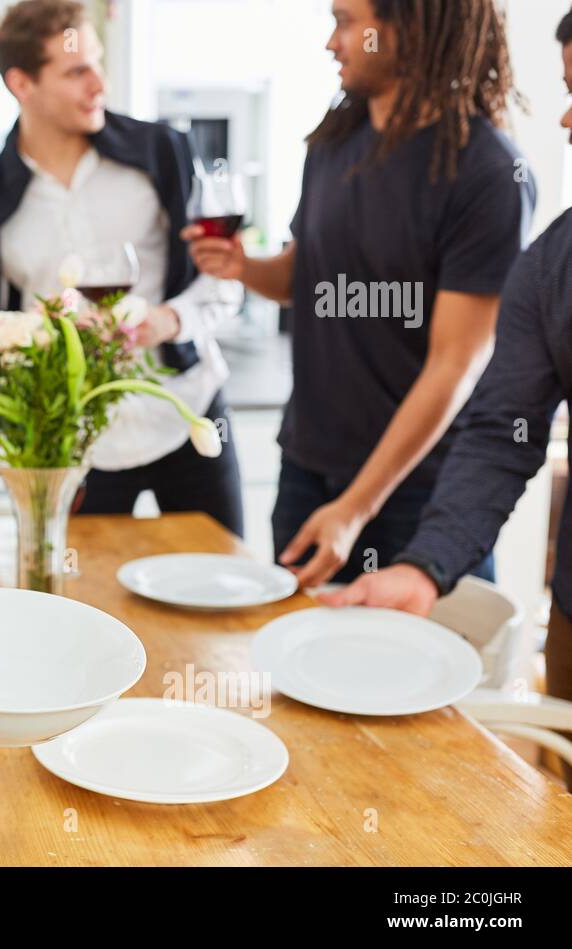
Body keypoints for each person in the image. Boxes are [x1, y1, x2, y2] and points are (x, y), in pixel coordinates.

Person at [187, 0, 534, 587]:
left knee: (422, 671)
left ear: (413, 25)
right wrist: (244, 268)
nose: (331, 43)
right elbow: (306, 279)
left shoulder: (487, 172)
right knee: (296, 665)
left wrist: (357, 506)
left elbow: (457, 363)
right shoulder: (333, 142)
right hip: (307, 467)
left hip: (420, 490)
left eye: (347, 22)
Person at [319, 7, 572, 786]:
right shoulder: (552, 265)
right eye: (569, 89)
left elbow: (457, 368)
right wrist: (424, 567)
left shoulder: (487, 172)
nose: (566, 118)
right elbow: (503, 431)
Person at [0, 0, 245, 535]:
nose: (99, 85)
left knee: (227, 586)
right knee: (80, 606)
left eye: (98, 64)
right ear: (22, 84)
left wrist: (170, 320)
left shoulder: (162, 154)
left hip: (190, 414)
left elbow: (225, 280)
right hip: (76, 444)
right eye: (76, 72)